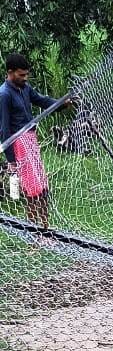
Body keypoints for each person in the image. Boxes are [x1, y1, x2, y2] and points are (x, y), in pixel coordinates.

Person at [0, 52, 70, 230]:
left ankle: (45, 230)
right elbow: (4, 129)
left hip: (31, 140)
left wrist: (62, 103)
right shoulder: (4, 95)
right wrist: (11, 160)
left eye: (26, 74)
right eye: (21, 75)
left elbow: (42, 100)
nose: (25, 78)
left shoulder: (25, 88)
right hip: (18, 145)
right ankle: (34, 234)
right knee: (32, 191)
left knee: (42, 187)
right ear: (10, 72)